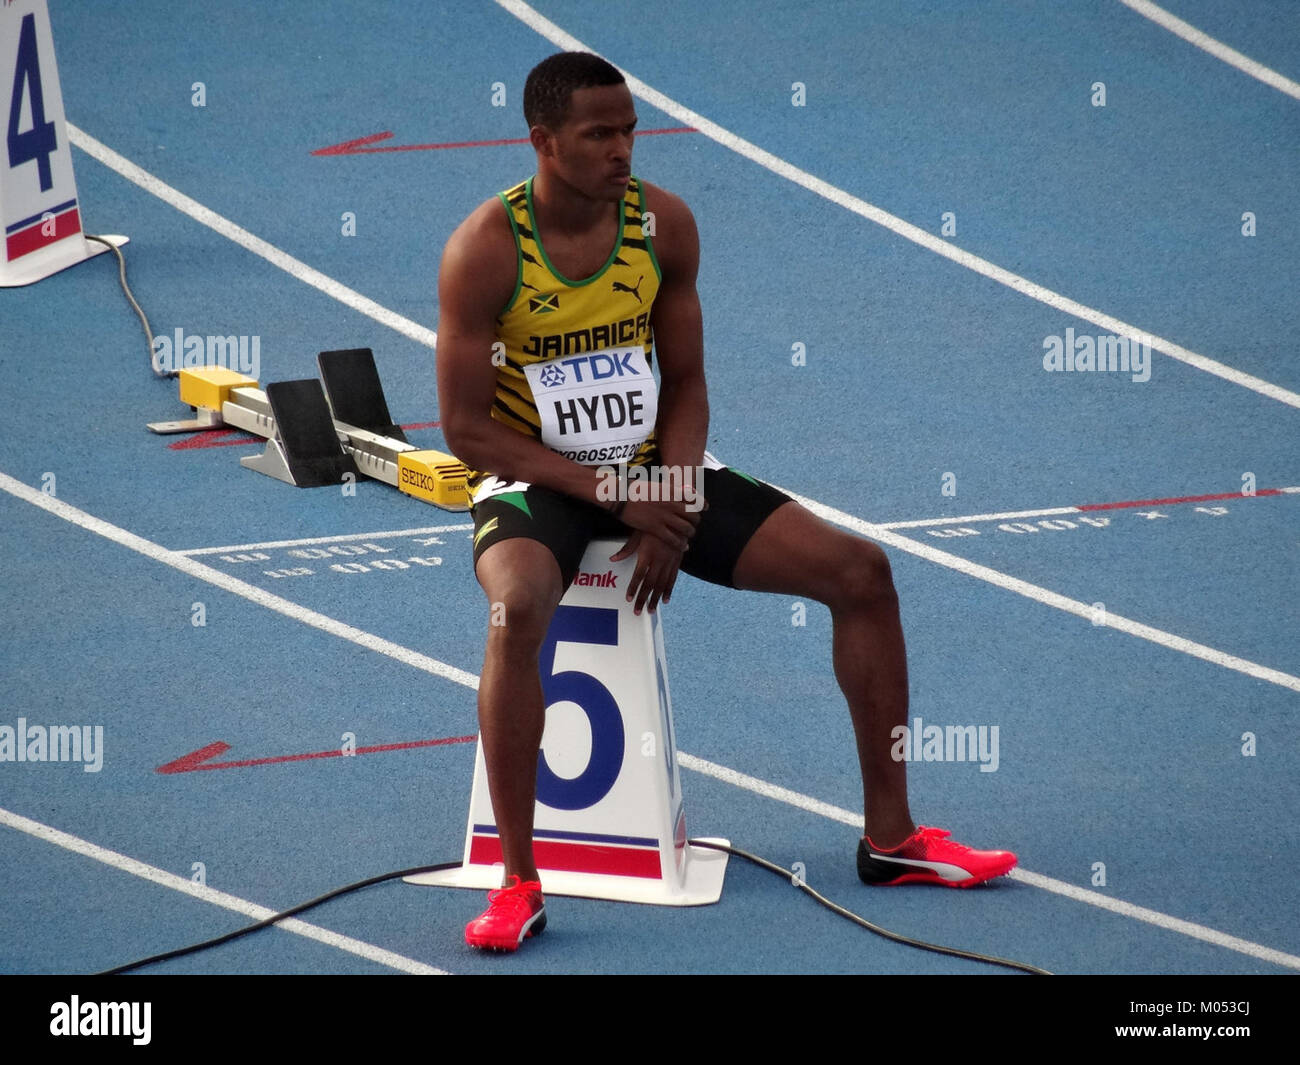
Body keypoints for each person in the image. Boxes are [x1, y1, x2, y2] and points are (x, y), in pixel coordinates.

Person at [435, 51, 1016, 953]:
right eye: (600, 135)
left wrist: (668, 491)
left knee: (863, 573)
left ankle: (892, 838)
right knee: (517, 611)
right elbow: (467, 431)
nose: (624, 149)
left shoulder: (662, 225)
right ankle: (517, 882)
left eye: (630, 130)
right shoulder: (486, 249)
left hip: (647, 465)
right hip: (539, 476)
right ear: (544, 142)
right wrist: (616, 494)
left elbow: (689, 381)